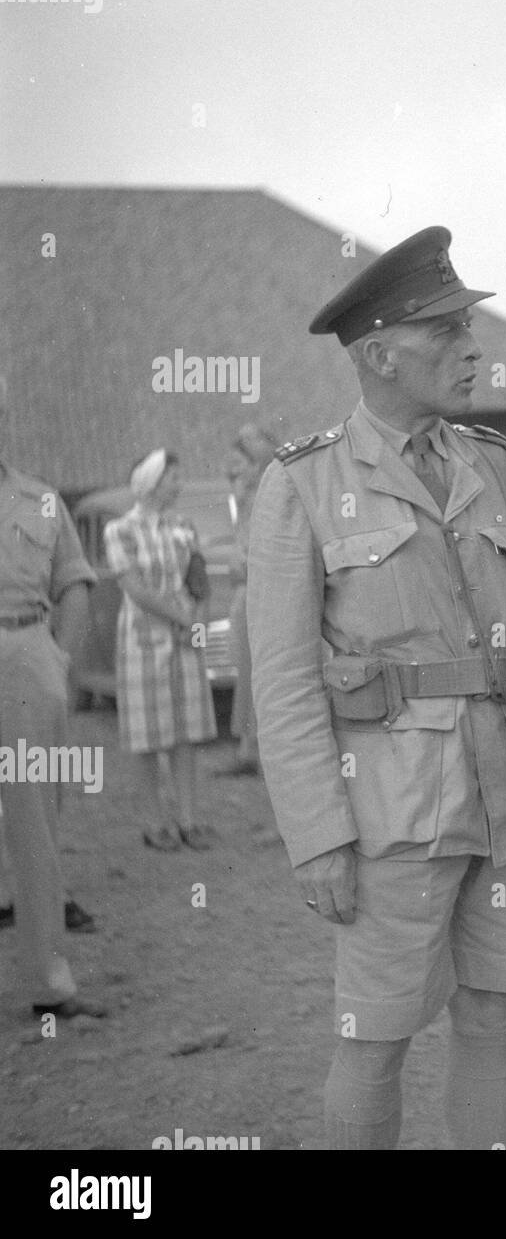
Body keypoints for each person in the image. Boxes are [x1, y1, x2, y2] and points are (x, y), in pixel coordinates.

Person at [247, 225, 506, 1150]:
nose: (474, 349)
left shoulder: (489, 463)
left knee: (490, 1018)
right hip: (390, 815)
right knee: (376, 1039)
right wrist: (318, 833)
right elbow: (281, 683)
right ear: (379, 353)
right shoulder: (305, 485)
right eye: (447, 333)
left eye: (467, 328)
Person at [0, 372, 106, 1018]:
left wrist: (57, 659)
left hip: (26, 657)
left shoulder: (40, 501)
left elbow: (75, 581)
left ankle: (48, 982)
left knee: (35, 824)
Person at [104, 449, 218, 851]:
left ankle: (188, 820)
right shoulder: (120, 531)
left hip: (184, 641)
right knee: (148, 736)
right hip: (142, 641)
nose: (179, 484)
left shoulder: (184, 526)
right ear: (151, 482)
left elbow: (199, 580)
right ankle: (154, 823)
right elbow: (134, 588)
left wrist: (198, 621)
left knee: (186, 732)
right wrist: (184, 618)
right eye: (173, 477)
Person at [221, 424, 278, 775]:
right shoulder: (244, 501)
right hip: (245, 595)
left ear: (257, 464)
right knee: (246, 670)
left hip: (259, 596)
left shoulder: (266, 500)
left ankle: (255, 747)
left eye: (241, 463)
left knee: (258, 671)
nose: (233, 470)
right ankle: (247, 747)